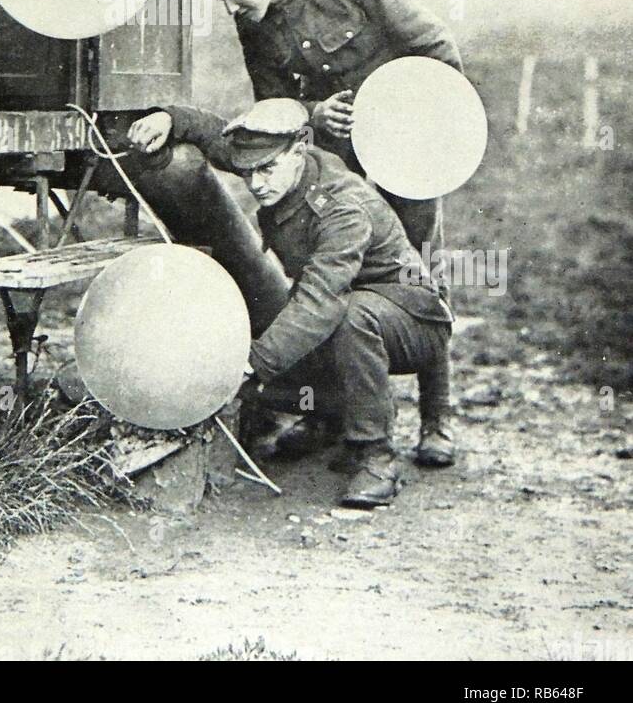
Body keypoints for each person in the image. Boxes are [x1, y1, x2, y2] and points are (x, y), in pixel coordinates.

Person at [127, 98, 456, 507]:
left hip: (412, 320)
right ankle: (329, 417)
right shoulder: (275, 159)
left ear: (300, 150)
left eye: (266, 169)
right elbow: (217, 137)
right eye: (247, 173)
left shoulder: (342, 207)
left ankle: (375, 456)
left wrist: (252, 364)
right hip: (348, 308)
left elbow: (323, 301)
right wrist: (170, 118)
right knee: (294, 327)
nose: (256, 184)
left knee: (348, 316)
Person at [186, 0, 463, 254]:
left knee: (418, 244)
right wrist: (315, 112)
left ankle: (430, 304)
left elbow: (433, 44)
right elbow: (273, 105)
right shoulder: (253, 22)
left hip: (402, 127)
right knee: (333, 232)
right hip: (336, 146)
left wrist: (433, 115)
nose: (230, 9)